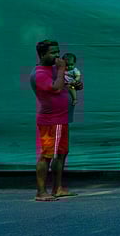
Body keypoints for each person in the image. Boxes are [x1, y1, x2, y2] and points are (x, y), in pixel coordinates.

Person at [32, 39, 73, 201]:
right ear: (43, 54)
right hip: (50, 121)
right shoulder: (40, 73)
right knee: (47, 155)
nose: (57, 55)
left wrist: (74, 85)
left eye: (58, 51)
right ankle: (41, 192)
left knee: (61, 153)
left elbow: (63, 85)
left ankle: (58, 188)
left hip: (61, 119)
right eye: (53, 52)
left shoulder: (53, 69)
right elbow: (55, 88)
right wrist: (62, 69)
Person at [63, 53, 83, 123]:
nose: (69, 67)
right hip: (64, 83)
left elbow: (78, 76)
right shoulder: (62, 70)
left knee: (72, 88)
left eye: (71, 65)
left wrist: (75, 80)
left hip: (71, 83)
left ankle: (74, 99)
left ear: (74, 63)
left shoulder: (74, 70)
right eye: (67, 65)